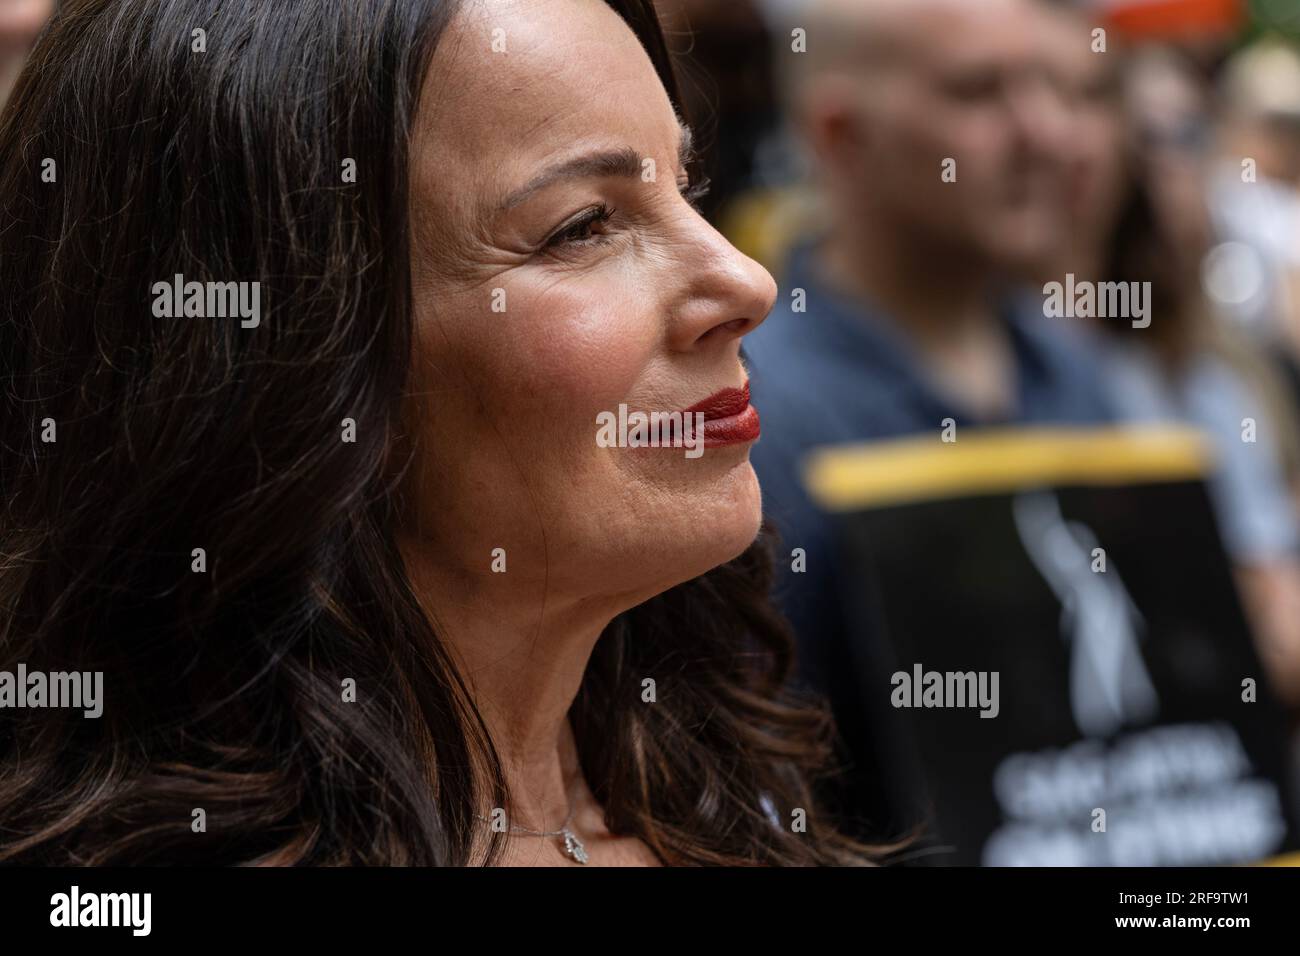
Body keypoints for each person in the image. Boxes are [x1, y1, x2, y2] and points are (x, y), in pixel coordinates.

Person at [0, 0, 875, 866]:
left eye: (687, 187)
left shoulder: (718, 782)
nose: (746, 281)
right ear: (286, 365)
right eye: (584, 227)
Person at [742, 0, 1118, 840]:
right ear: (841, 134)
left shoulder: (1079, 376)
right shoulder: (754, 420)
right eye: (979, 92)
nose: (1050, 134)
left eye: (1057, 89)